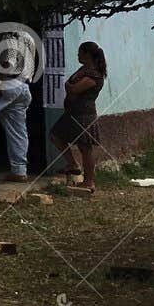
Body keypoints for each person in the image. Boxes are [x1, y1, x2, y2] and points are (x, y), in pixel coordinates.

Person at [50, 41, 108, 194]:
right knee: (55, 136)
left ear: (87, 54)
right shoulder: (84, 70)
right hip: (73, 113)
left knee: (85, 148)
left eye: (80, 53)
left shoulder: (94, 75)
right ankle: (73, 164)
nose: (78, 56)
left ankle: (89, 181)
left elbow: (74, 89)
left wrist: (68, 86)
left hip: (84, 115)